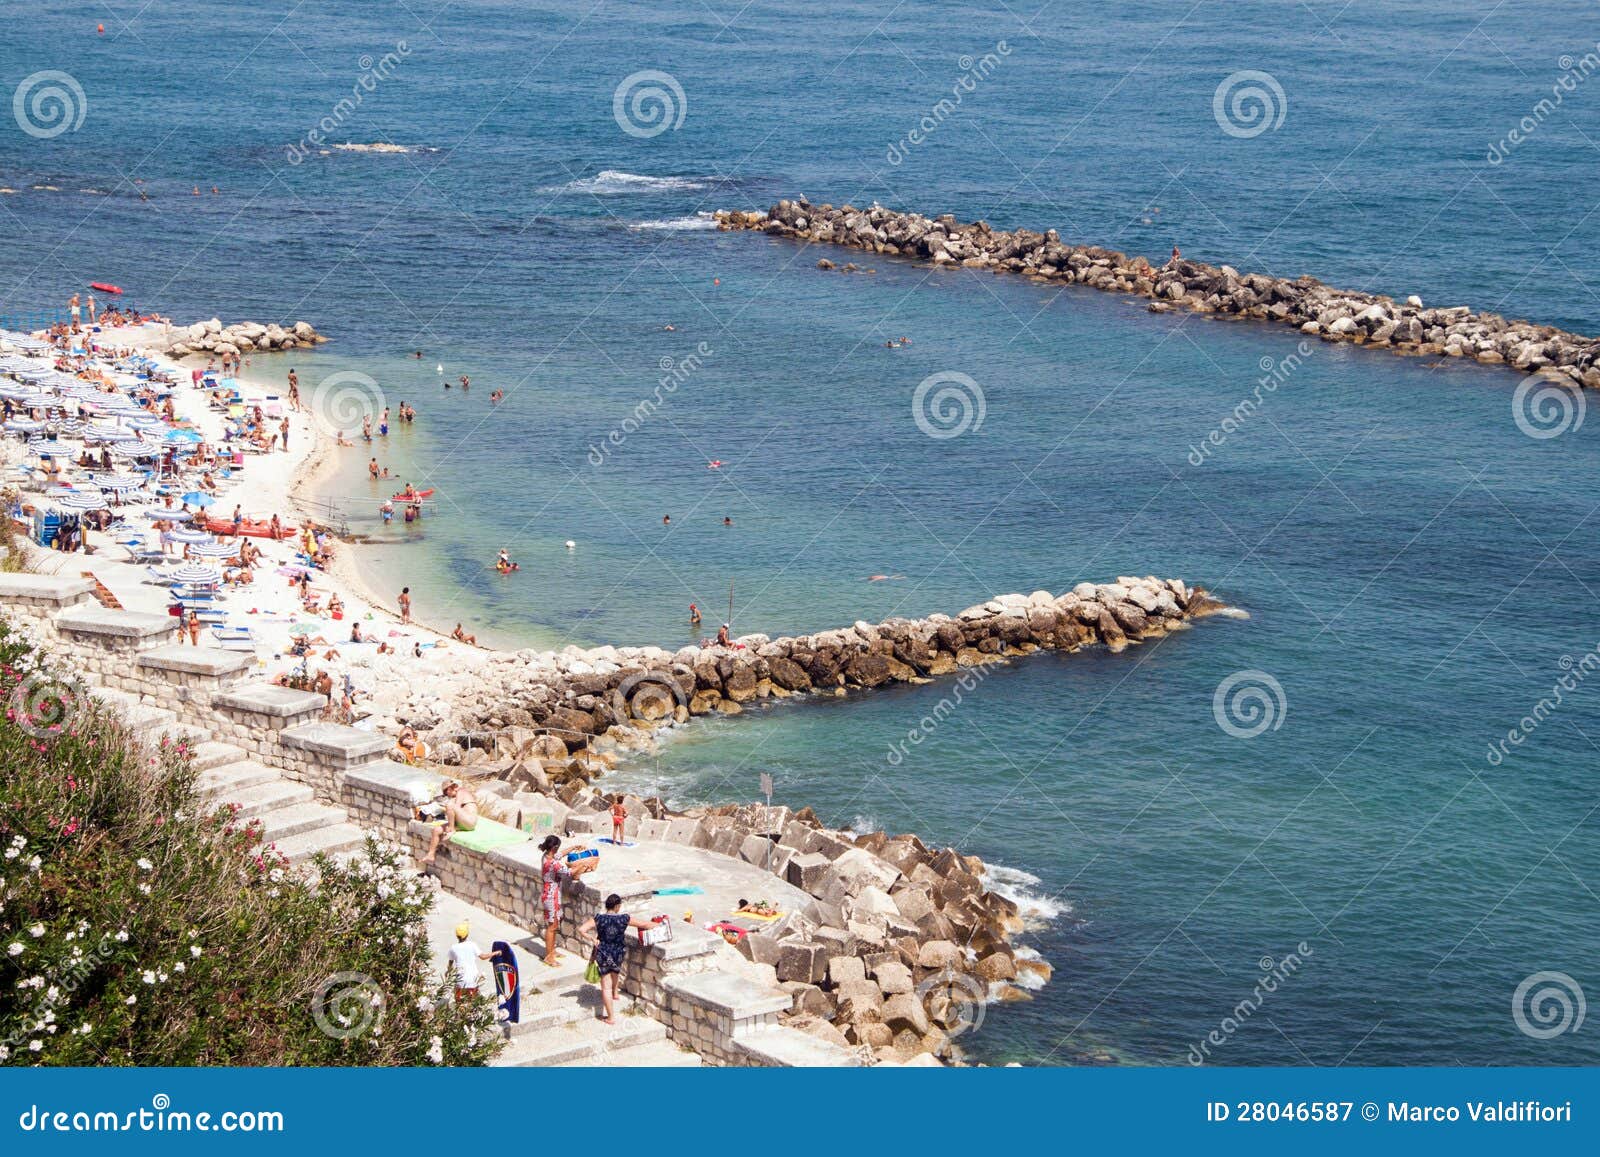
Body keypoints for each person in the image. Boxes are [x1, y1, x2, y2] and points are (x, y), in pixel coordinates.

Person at [579, 895, 657, 1025]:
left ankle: (610, 1017)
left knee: (605, 987)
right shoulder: (624, 919)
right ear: (617, 906)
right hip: (618, 953)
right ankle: (615, 993)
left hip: (603, 953)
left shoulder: (599, 918)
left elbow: (582, 930)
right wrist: (661, 924)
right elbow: (645, 924)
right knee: (615, 972)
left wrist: (592, 939)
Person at [538, 834, 598, 967]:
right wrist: (583, 863)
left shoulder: (547, 856)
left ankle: (552, 951)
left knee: (554, 925)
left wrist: (573, 847)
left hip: (552, 894)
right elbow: (569, 872)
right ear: (554, 847)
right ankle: (549, 956)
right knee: (552, 927)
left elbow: (561, 854)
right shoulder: (553, 864)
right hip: (551, 896)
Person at [419, 780, 476, 864]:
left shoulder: (461, 791)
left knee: (449, 805)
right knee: (436, 830)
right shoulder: (454, 797)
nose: (447, 795)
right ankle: (430, 855)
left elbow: (455, 806)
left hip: (469, 821)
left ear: (449, 789)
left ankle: (452, 830)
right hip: (462, 822)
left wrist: (450, 825)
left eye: (446, 793)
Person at [447, 922, 493, 1005]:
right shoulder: (472, 945)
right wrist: (495, 953)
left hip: (460, 981)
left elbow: (450, 964)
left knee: (459, 1005)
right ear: (467, 935)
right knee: (472, 1005)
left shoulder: (453, 948)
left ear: (457, 936)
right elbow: (483, 957)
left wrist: (448, 972)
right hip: (472, 980)